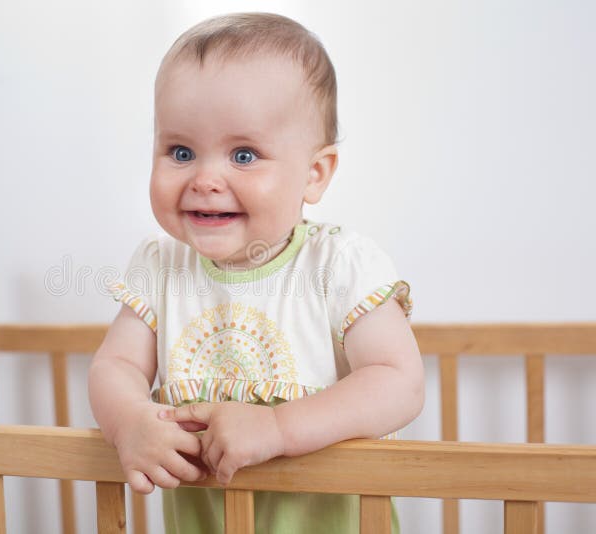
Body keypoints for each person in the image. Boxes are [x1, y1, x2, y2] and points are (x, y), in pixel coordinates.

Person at [88, 12, 424, 533]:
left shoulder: (340, 265)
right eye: (181, 152)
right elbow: (117, 367)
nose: (205, 178)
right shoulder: (161, 268)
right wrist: (130, 419)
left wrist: (278, 427)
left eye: (243, 155)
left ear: (314, 174)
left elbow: (398, 383)